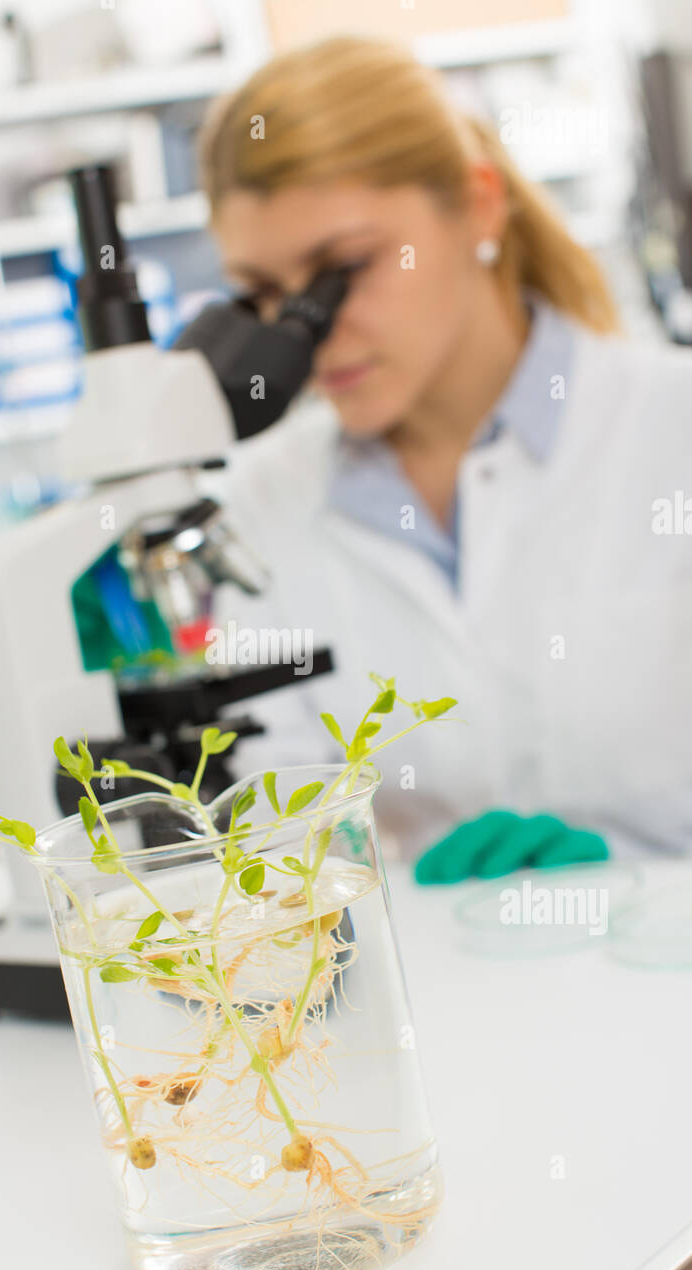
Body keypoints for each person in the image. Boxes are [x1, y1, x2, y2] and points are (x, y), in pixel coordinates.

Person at [197, 35, 692, 877]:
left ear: (480, 206)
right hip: (446, 995)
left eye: (343, 268)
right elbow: (274, 840)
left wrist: (647, 879)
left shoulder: (669, 428)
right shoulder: (263, 502)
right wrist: (389, 880)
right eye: (266, 296)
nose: (306, 331)